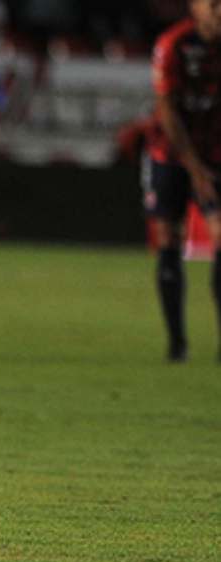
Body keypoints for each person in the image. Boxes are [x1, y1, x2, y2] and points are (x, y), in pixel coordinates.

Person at [144, 0, 221, 362]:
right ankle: (177, 343)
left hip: (216, 154)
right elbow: (167, 112)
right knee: (168, 237)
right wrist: (195, 170)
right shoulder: (173, 45)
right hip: (171, 155)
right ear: (196, 7)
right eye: (214, 4)